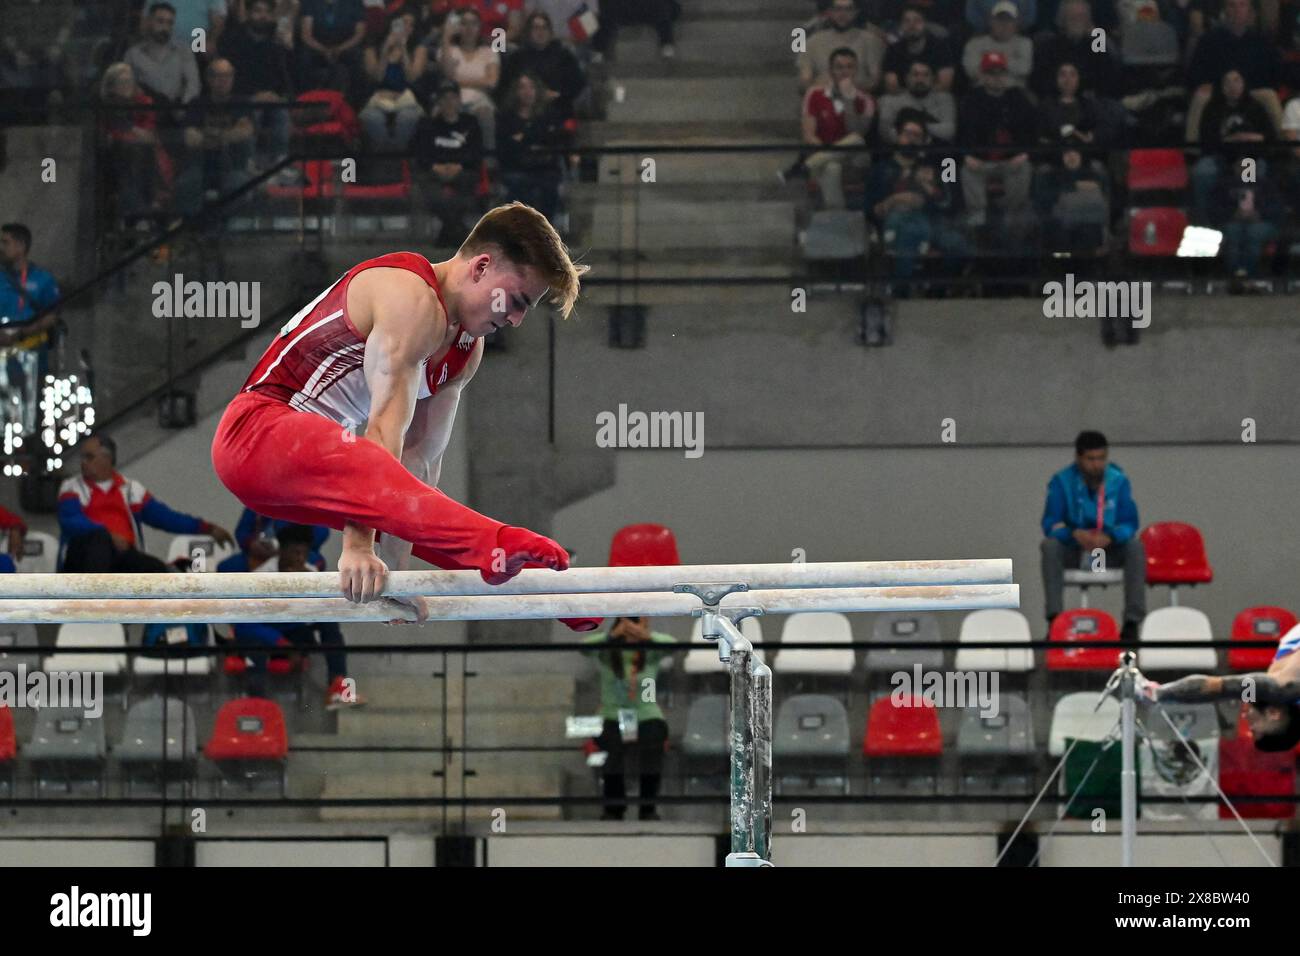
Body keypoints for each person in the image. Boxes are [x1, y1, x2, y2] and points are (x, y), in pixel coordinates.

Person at [210, 202, 600, 632]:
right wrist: (358, 546)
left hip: (309, 477)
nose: (517, 319)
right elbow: (381, 432)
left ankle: (544, 589)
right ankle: (495, 543)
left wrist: (395, 573)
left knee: (431, 509)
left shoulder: (466, 351)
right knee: (381, 466)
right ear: (482, 267)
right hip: (256, 434)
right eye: (517, 300)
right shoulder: (408, 296)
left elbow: (415, 473)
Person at [218, 523, 364, 708]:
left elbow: (321, 613)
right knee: (253, 647)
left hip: (294, 631)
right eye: (295, 553)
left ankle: (338, 685)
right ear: (282, 552)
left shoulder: (310, 573)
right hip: (265, 635)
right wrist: (283, 645)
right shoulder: (261, 577)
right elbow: (245, 625)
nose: (299, 559)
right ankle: (257, 705)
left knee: (329, 621)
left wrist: (308, 586)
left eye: (303, 554)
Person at [59, 433, 235, 573]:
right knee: (99, 541)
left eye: (89, 457)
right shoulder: (71, 487)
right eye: (82, 457)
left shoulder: (130, 489)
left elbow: (165, 517)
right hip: (83, 559)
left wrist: (206, 528)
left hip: (122, 557)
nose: (83, 463)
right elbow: (71, 522)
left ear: (107, 459)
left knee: (154, 570)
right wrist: (109, 535)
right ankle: (95, 605)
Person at [1040, 430, 1145, 643]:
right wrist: (1073, 533)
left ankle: (1132, 624)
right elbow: (1050, 524)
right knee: (1050, 547)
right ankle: (1055, 623)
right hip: (1076, 551)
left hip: (1105, 552)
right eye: (1091, 459)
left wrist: (1112, 536)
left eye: (1101, 458)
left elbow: (1130, 523)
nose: (1097, 465)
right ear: (1078, 458)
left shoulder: (1118, 481)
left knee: (1135, 547)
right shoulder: (1061, 482)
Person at [1138, 621, 1300, 751]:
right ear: (1273, 714)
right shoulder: (1283, 689)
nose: (1246, 720)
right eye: (1254, 728)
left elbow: (1222, 691)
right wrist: (1158, 693)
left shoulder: (1260, 695)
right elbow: (1212, 687)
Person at [584, 616, 675, 820]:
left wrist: (647, 635)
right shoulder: (608, 654)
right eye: (628, 627)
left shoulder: (650, 652)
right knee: (612, 754)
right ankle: (614, 808)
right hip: (613, 714)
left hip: (645, 713)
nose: (631, 632)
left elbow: (673, 645)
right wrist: (612, 636)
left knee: (653, 746)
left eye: (636, 627)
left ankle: (648, 808)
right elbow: (584, 647)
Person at [0, 223, 61, 439]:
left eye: (5, 242)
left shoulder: (43, 280)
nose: (1, 247)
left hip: (32, 359)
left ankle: (33, 464)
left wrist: (23, 333)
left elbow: (52, 316)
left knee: (32, 414)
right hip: (1, 360)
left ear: (21, 246)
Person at [413, 79, 487, 246]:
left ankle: (447, 232)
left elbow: (476, 152)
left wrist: (459, 166)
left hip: (463, 171)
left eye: (453, 97)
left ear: (459, 100)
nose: (449, 102)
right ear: (438, 102)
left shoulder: (471, 122)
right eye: (444, 98)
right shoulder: (427, 124)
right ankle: (457, 231)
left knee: (467, 188)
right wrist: (435, 166)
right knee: (429, 191)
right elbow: (420, 152)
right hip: (434, 171)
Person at [496, 72, 572, 221]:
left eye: (531, 87)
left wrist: (524, 137)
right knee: (519, 188)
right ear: (516, 92)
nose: (527, 92)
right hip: (516, 168)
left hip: (545, 167)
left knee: (549, 187)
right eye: (522, 87)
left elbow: (553, 140)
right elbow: (507, 146)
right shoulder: (506, 117)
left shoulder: (549, 115)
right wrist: (535, 137)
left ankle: (546, 232)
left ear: (538, 90)